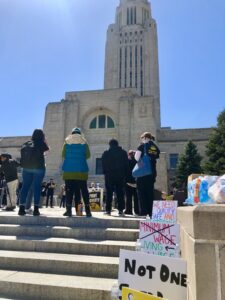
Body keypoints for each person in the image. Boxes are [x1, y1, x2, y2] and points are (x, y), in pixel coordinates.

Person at [61, 127, 92, 217]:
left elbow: (63, 154)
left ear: (72, 133)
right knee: (84, 190)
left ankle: (69, 211)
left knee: (69, 191)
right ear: (80, 133)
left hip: (68, 170)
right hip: (81, 170)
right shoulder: (84, 143)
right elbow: (88, 155)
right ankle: (86, 211)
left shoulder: (66, 142)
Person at [18, 129, 49, 216]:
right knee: (37, 187)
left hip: (26, 168)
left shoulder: (26, 143)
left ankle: (21, 209)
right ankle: (36, 209)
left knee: (25, 187)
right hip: (39, 168)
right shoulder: (41, 143)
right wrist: (45, 142)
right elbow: (47, 152)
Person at [135, 132, 160, 217]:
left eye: (142, 138)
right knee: (150, 193)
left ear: (144, 138)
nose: (141, 140)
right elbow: (156, 156)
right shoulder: (155, 147)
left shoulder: (142, 146)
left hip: (142, 173)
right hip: (152, 173)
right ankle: (151, 212)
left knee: (141, 192)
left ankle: (143, 211)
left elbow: (136, 158)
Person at [101, 139, 128, 216]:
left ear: (110, 145)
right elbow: (126, 165)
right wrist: (125, 175)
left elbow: (103, 164)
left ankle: (108, 210)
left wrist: (105, 173)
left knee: (109, 193)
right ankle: (121, 210)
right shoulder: (123, 153)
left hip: (109, 176)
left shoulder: (106, 153)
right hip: (120, 175)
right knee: (120, 193)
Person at [124, 150, 139, 215]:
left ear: (129, 155)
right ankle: (137, 211)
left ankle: (129, 211)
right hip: (136, 182)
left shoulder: (126, 162)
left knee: (128, 197)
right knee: (136, 198)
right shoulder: (138, 161)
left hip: (128, 182)